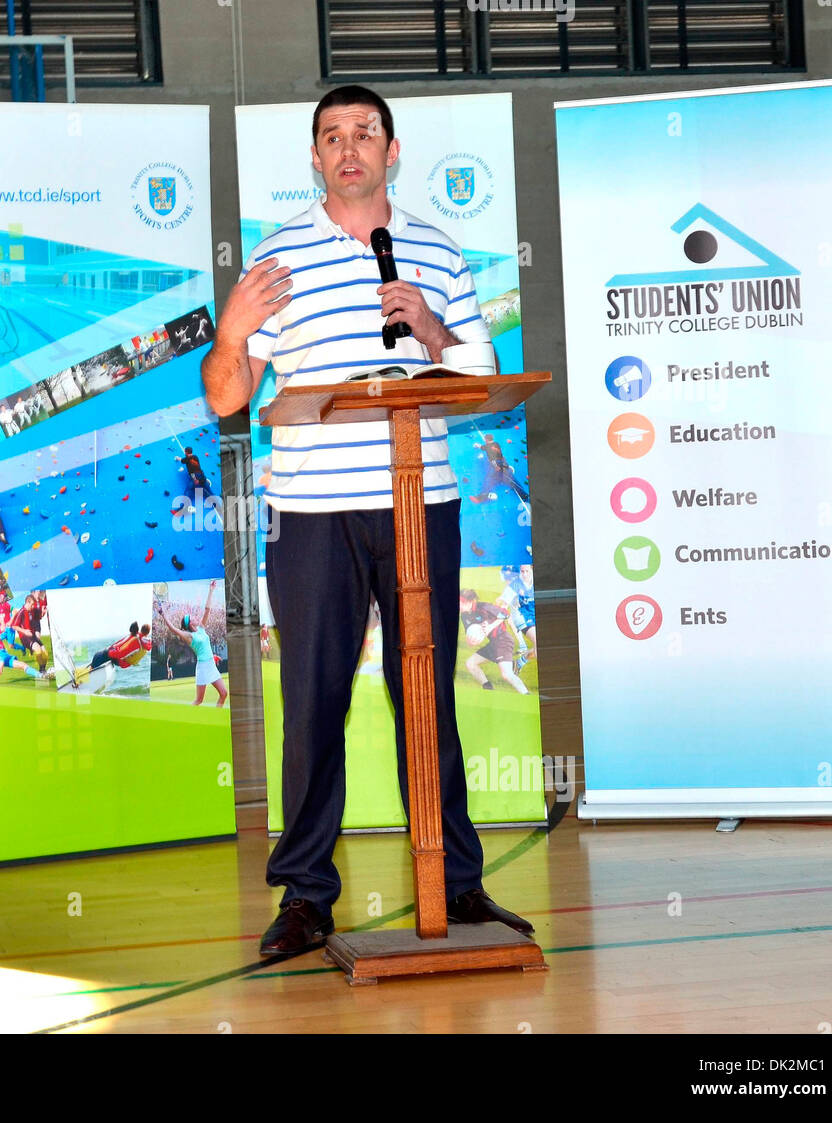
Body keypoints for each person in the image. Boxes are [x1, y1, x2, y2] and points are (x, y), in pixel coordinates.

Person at [200, 84, 531, 956]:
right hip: (312, 515)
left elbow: (482, 378)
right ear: (314, 157)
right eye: (332, 137)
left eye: (365, 133)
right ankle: (307, 897)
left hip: (423, 505)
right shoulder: (279, 258)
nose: (349, 149)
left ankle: (455, 883)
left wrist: (429, 325)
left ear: (393, 149)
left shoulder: (436, 248)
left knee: (425, 695)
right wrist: (232, 334)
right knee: (312, 705)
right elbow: (229, 399)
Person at [160, 581, 227, 707]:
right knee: (199, 700)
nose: (196, 617)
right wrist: (163, 614)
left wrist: (211, 590)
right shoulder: (189, 636)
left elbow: (207, 609)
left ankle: (217, 717)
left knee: (223, 693)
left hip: (211, 664)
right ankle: (186, 716)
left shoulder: (201, 628)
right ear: (190, 624)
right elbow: (174, 629)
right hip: (203, 667)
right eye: (193, 617)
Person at [459, 589, 528, 695]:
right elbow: (470, 632)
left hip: (503, 640)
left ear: (468, 602)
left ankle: (526, 694)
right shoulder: (464, 615)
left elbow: (505, 614)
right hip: (493, 644)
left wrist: (490, 626)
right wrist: (471, 641)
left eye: (460, 603)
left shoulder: (484, 607)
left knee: (507, 675)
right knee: (470, 663)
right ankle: (488, 689)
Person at [8, 592, 49, 675]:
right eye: (32, 604)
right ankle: (41, 671)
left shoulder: (32, 611)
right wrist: (24, 631)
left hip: (32, 635)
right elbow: (14, 626)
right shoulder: (21, 612)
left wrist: (43, 613)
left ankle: (43, 670)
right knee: (38, 649)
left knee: (45, 653)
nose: (33, 606)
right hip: (25, 637)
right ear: (27, 602)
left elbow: (39, 617)